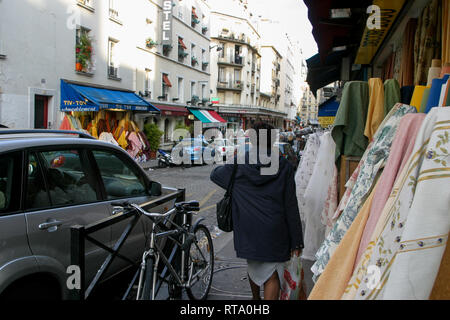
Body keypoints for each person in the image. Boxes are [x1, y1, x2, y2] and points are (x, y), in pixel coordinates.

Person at [210, 122, 304, 300]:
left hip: (247, 227)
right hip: (276, 229)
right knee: (271, 275)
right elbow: (291, 204)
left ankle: (256, 299)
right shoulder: (283, 165)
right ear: (272, 141)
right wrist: (297, 241)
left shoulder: (240, 163)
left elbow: (215, 175)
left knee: (255, 266)